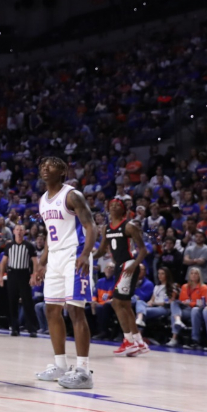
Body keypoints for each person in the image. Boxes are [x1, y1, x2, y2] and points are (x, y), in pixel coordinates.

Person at [32, 156, 98, 389]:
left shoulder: (72, 195)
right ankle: (60, 365)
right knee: (51, 309)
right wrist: (42, 263)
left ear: (63, 171)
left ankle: (83, 370)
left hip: (75, 254)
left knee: (75, 310)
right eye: (42, 166)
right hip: (56, 257)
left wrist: (85, 254)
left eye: (50, 166)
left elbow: (91, 226)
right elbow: (51, 235)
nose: (45, 169)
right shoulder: (43, 200)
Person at [103, 198, 149, 356]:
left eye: (117, 205)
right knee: (126, 305)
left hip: (128, 265)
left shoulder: (129, 226)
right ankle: (139, 342)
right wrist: (86, 255)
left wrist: (134, 265)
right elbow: (103, 250)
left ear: (123, 210)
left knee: (116, 303)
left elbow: (143, 250)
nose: (114, 206)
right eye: (112, 204)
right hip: (118, 267)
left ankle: (128, 341)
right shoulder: (106, 228)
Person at [0, 225, 39, 337]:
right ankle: (14, 328)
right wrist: (1, 276)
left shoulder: (29, 246)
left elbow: (35, 262)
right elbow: (3, 262)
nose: (19, 232)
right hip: (12, 274)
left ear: (25, 232)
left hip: (24, 274)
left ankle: (32, 329)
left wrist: (34, 275)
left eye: (21, 230)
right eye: (17, 230)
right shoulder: (9, 246)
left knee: (28, 302)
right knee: (12, 302)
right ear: (14, 231)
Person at [168, 267, 207, 348]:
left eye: (196, 273)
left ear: (199, 275)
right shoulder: (184, 286)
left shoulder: (203, 287)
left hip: (195, 310)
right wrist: (184, 302)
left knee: (175, 314)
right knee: (174, 303)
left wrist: (190, 303)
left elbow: (202, 303)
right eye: (192, 273)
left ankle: (191, 338)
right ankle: (178, 322)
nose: (193, 275)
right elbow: (181, 299)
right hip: (184, 308)